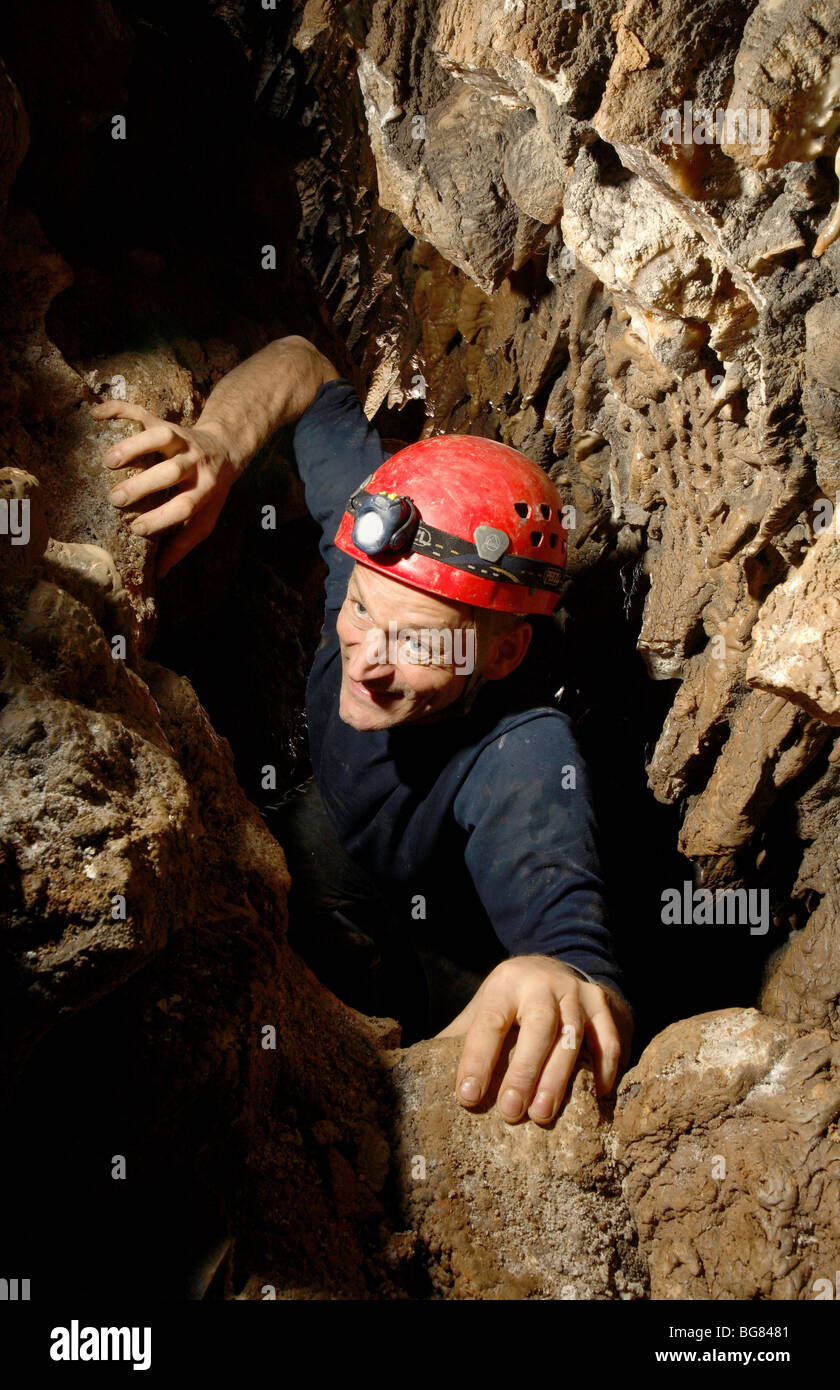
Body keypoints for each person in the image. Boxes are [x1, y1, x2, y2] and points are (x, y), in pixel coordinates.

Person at [91, 334, 633, 1126]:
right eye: (361, 613)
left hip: (459, 918)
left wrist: (565, 981)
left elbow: (579, 962)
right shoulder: (376, 560)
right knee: (292, 883)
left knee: (456, 1044)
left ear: (506, 653)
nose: (366, 659)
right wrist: (216, 446)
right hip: (341, 825)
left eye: (417, 642)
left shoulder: (527, 757)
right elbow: (305, 365)